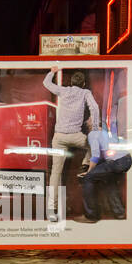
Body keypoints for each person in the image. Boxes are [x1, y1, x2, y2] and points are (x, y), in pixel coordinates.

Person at [42, 65, 100, 219]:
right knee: (92, 145)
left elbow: (46, 84)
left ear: (71, 82)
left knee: (55, 173)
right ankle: (85, 163)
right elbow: (94, 108)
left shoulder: (64, 90)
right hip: (75, 136)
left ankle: (51, 211)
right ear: (83, 83)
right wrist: (94, 128)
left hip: (59, 137)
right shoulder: (85, 92)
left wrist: (52, 72)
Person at [78, 125, 132, 222]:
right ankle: (119, 212)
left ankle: (91, 216)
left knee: (88, 178)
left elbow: (95, 156)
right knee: (109, 180)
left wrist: (89, 172)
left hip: (116, 162)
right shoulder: (106, 131)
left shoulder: (93, 133)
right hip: (127, 160)